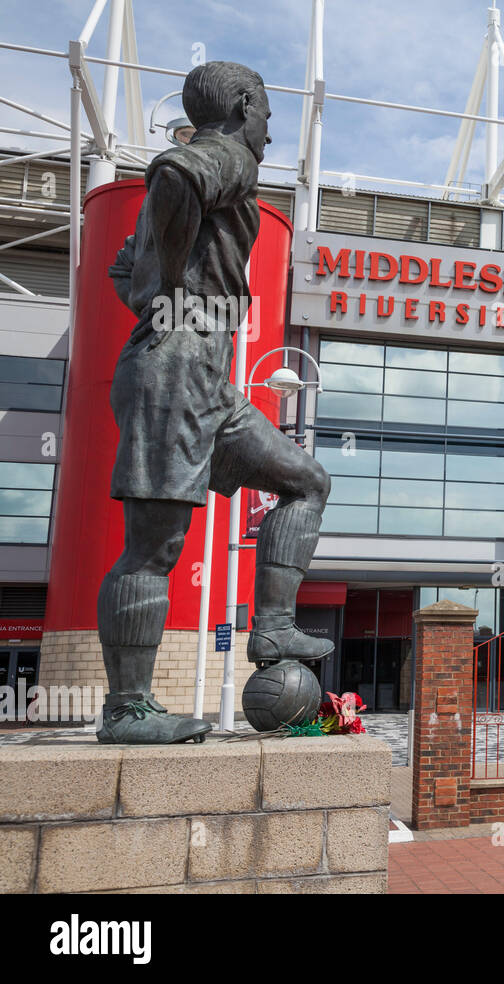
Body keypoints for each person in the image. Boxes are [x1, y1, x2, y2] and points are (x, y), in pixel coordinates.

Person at [97, 61, 331, 744]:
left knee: (305, 481)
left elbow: (121, 268)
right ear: (239, 104)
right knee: (154, 548)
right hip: (174, 374)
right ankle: (128, 709)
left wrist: (158, 292)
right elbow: (175, 172)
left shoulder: (224, 161)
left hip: (203, 378)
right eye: (263, 111)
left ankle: (274, 625)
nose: (268, 129)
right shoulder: (225, 155)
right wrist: (170, 293)